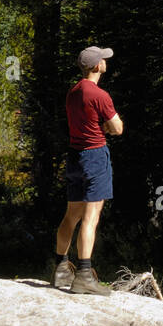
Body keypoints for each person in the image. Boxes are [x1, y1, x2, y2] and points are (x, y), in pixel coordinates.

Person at [51, 46, 123, 295]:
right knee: (91, 218)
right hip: (94, 157)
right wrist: (107, 125)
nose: (105, 61)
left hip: (74, 157)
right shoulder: (99, 95)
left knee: (72, 215)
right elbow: (118, 128)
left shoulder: (73, 92)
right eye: (103, 59)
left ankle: (60, 267)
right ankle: (83, 275)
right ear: (96, 66)